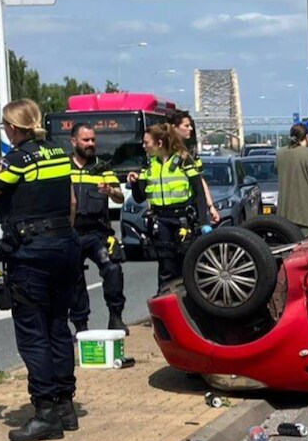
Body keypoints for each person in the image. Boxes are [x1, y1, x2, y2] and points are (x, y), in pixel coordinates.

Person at [0, 99, 80, 441]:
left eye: (5, 127)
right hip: (65, 247)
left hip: (32, 255)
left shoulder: (17, 160)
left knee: (33, 333)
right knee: (59, 326)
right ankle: (65, 407)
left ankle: (45, 413)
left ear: (14, 128)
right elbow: (72, 203)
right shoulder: (59, 154)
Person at [128, 123, 204, 292]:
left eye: (146, 142)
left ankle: (189, 301)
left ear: (159, 143)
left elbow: (199, 193)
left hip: (183, 220)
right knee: (165, 266)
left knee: (186, 264)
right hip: (161, 221)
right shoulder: (149, 165)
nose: (144, 146)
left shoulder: (183, 160)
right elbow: (139, 197)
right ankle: (165, 301)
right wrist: (135, 183)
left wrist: (204, 222)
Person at [67, 123, 127, 334]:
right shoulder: (64, 167)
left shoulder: (103, 167)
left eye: (93, 140)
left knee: (112, 269)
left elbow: (120, 198)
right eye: (86, 140)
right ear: (74, 141)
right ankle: (80, 325)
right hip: (71, 233)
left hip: (97, 233)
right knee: (72, 278)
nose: (91, 144)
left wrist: (110, 190)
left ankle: (116, 317)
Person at [169, 111, 219, 226]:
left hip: (189, 210)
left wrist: (210, 206)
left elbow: (200, 181)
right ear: (173, 128)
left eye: (190, 125)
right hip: (168, 213)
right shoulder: (162, 154)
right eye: (186, 126)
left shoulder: (190, 153)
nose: (190, 128)